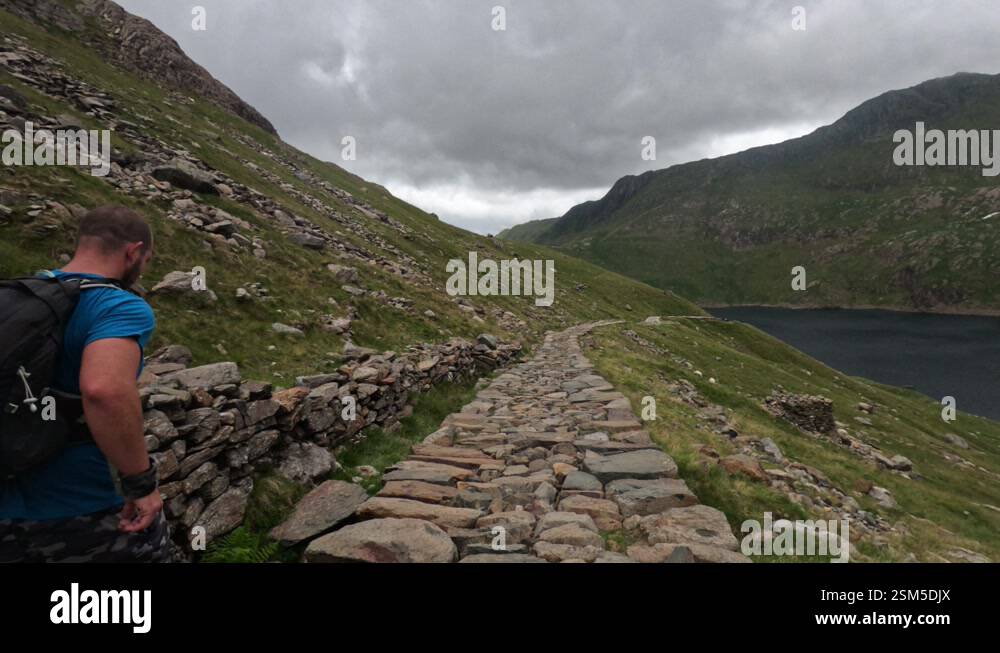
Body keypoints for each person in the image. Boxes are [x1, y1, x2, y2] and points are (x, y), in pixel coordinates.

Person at [0, 205, 169, 562]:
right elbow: (104, 390)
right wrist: (141, 483)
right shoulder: (118, 305)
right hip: (81, 507)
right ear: (133, 252)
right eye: (147, 260)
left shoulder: (17, 296)